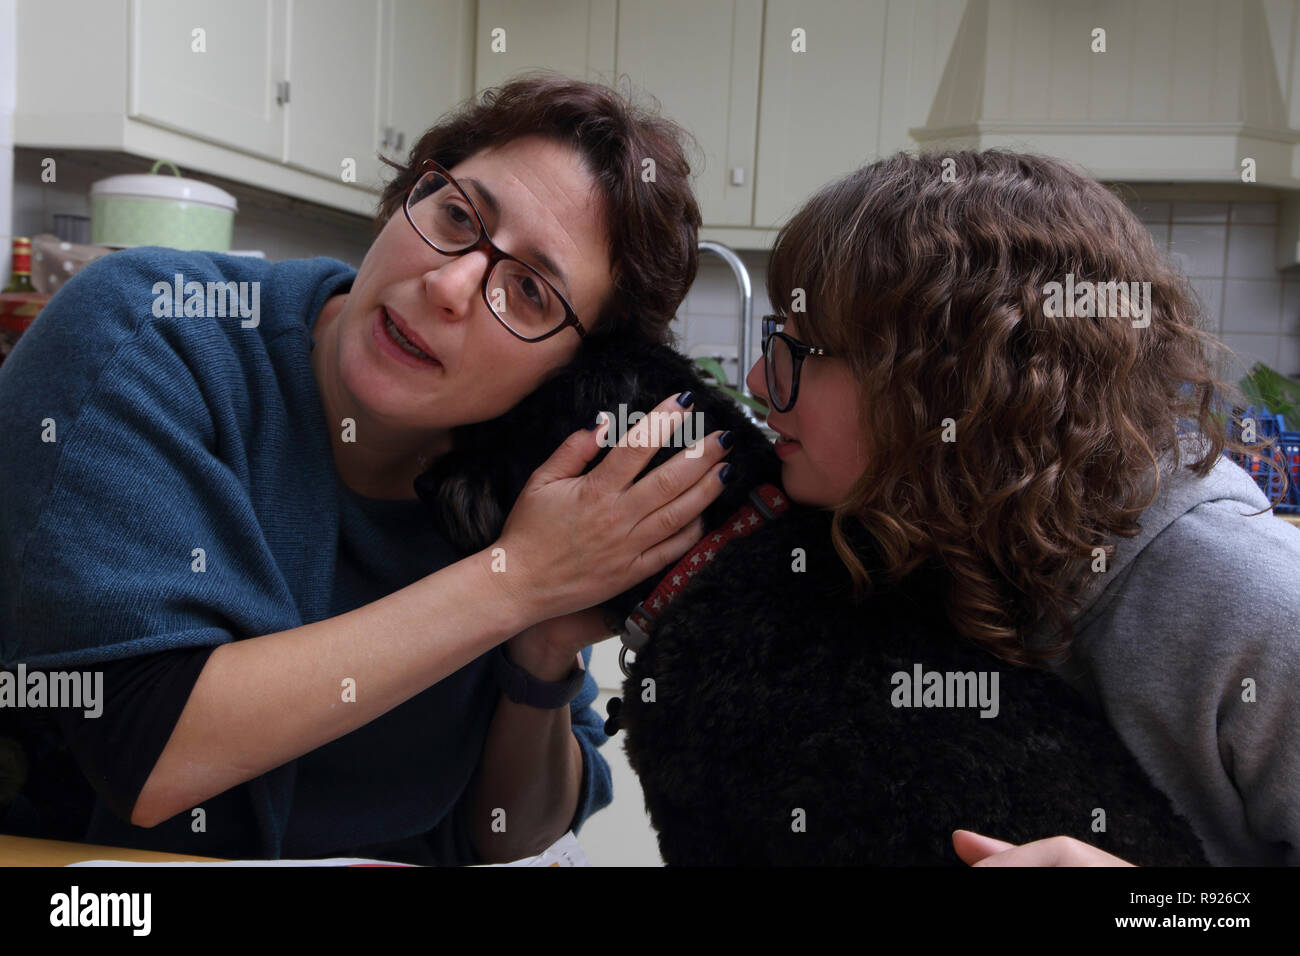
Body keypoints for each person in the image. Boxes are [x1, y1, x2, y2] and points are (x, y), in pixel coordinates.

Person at [0, 72, 732, 864]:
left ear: (572, 369)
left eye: (528, 291)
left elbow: (508, 840)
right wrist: (515, 578)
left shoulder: (519, 481)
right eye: (457, 214)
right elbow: (150, 749)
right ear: (406, 194)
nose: (450, 285)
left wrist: (540, 654)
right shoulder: (150, 332)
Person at [735, 150, 1299, 865]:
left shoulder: (1256, 609)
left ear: (954, 388)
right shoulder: (891, 534)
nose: (759, 378)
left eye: (802, 347)